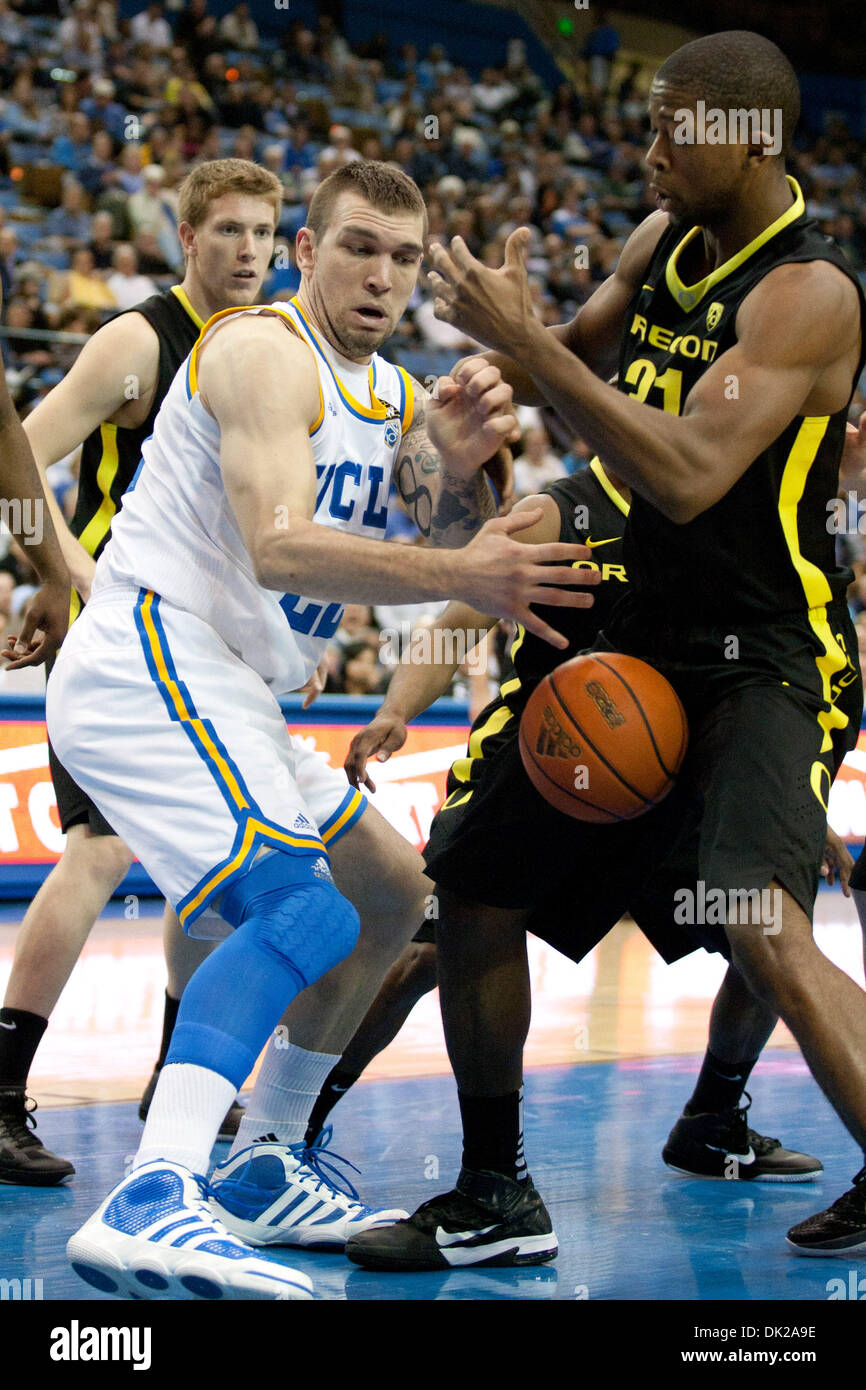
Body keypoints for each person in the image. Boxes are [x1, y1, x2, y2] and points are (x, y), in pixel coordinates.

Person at [345, 32, 866, 1270]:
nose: (644, 153)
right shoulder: (652, 247)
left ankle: (719, 1114)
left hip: (766, 656)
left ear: (749, 139)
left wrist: (531, 354)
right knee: (471, 889)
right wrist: (486, 390)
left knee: (758, 919)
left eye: (668, 130)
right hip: (634, 634)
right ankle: (492, 1196)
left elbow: (683, 474)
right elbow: (567, 372)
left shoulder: (806, 293)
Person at [48, 159, 596, 1299]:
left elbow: (427, 509)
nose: (381, 274)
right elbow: (282, 547)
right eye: (357, 247)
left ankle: (263, 1163)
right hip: (152, 653)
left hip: (235, 687)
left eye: (402, 256)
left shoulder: (396, 393)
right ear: (304, 250)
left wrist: (453, 471)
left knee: (390, 888)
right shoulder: (260, 353)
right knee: (300, 903)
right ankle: (154, 1188)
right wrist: (466, 569)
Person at [304, 464, 855, 1184]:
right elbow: (458, 624)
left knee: (770, 925)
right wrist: (394, 711)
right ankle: (300, 1114)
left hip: (667, 776)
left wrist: (792, 811)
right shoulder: (561, 513)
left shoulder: (717, 516)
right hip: (549, 757)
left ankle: (712, 1119)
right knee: (432, 952)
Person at [0, 158, 283, 1185]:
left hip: (201, 652)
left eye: (264, 232)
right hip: (118, 643)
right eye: (229, 232)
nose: (248, 251)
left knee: (205, 870)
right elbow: (20, 453)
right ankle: (0, 1089)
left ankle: (177, 1080)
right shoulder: (139, 341)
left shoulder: (266, 349)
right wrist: (60, 574)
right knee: (100, 853)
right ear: (185, 233)